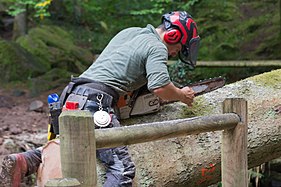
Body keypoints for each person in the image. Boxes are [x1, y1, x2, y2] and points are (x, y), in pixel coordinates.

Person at [0, 10, 200, 187]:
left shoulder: (131, 33)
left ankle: (24, 160)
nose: (175, 54)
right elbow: (160, 87)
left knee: (71, 144)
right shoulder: (157, 47)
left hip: (73, 93)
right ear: (173, 36)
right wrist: (182, 95)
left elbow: (118, 69)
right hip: (96, 102)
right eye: (178, 49)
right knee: (122, 171)